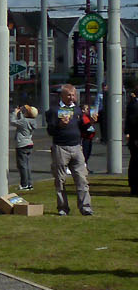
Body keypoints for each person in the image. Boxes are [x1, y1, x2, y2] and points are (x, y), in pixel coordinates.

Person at [46, 84, 94, 216]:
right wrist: (60, 125)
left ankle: (85, 207)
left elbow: (84, 129)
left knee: (82, 178)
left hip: (77, 147)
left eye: (73, 95)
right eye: (69, 95)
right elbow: (50, 131)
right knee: (60, 179)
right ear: (62, 95)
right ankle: (62, 208)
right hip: (61, 148)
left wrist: (91, 123)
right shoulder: (54, 110)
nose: (72, 97)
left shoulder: (78, 111)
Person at [10, 104, 38, 190]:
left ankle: (24, 184)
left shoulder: (24, 121)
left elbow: (12, 122)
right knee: (27, 165)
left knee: (22, 165)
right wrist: (21, 112)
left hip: (21, 144)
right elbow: (22, 120)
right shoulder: (32, 121)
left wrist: (14, 113)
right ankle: (29, 184)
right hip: (29, 144)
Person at [125, 89, 138, 196]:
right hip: (136, 138)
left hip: (134, 138)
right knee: (135, 163)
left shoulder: (133, 104)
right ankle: (134, 188)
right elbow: (133, 122)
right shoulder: (135, 106)